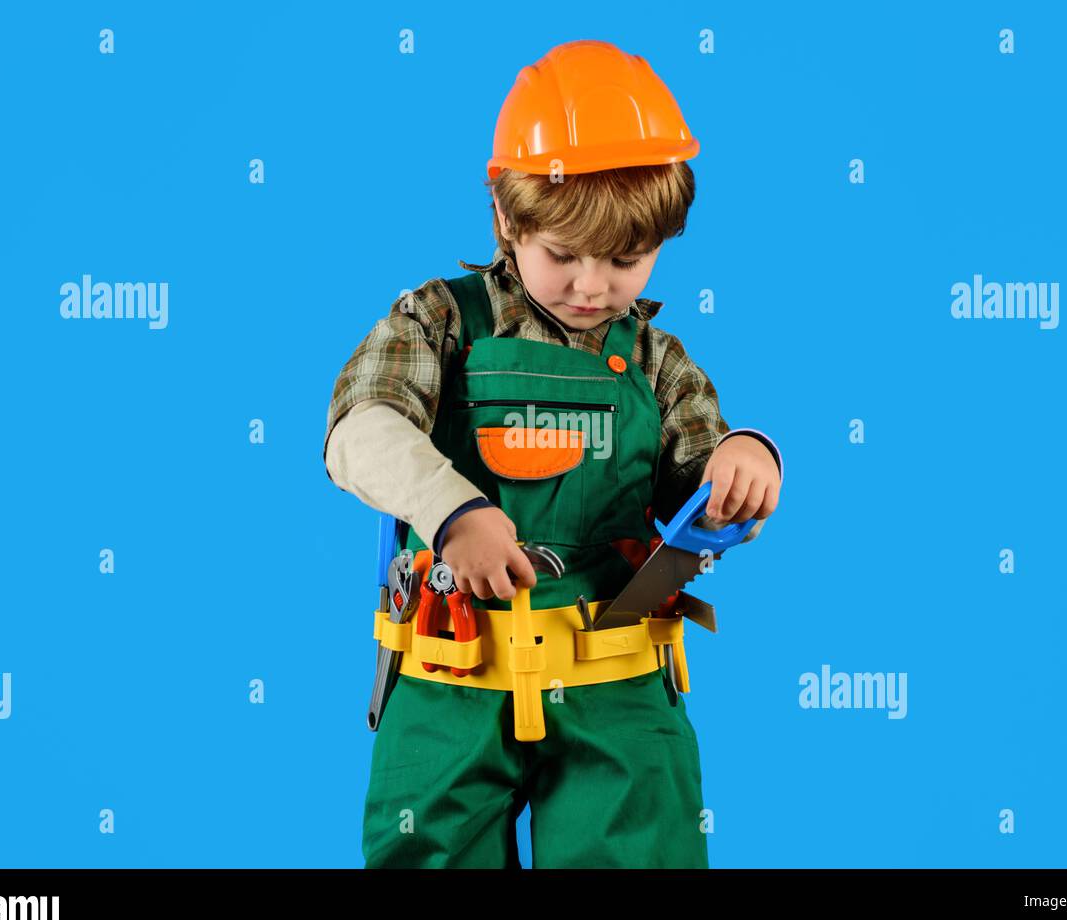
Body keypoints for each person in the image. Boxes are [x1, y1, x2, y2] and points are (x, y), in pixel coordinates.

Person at [323, 39, 783, 868]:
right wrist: (453, 509)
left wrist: (744, 462)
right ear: (507, 217)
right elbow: (359, 431)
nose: (591, 286)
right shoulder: (440, 323)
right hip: (450, 680)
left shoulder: (657, 364)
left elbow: (702, 479)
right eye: (562, 254)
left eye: (625, 259)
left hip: (615, 682)